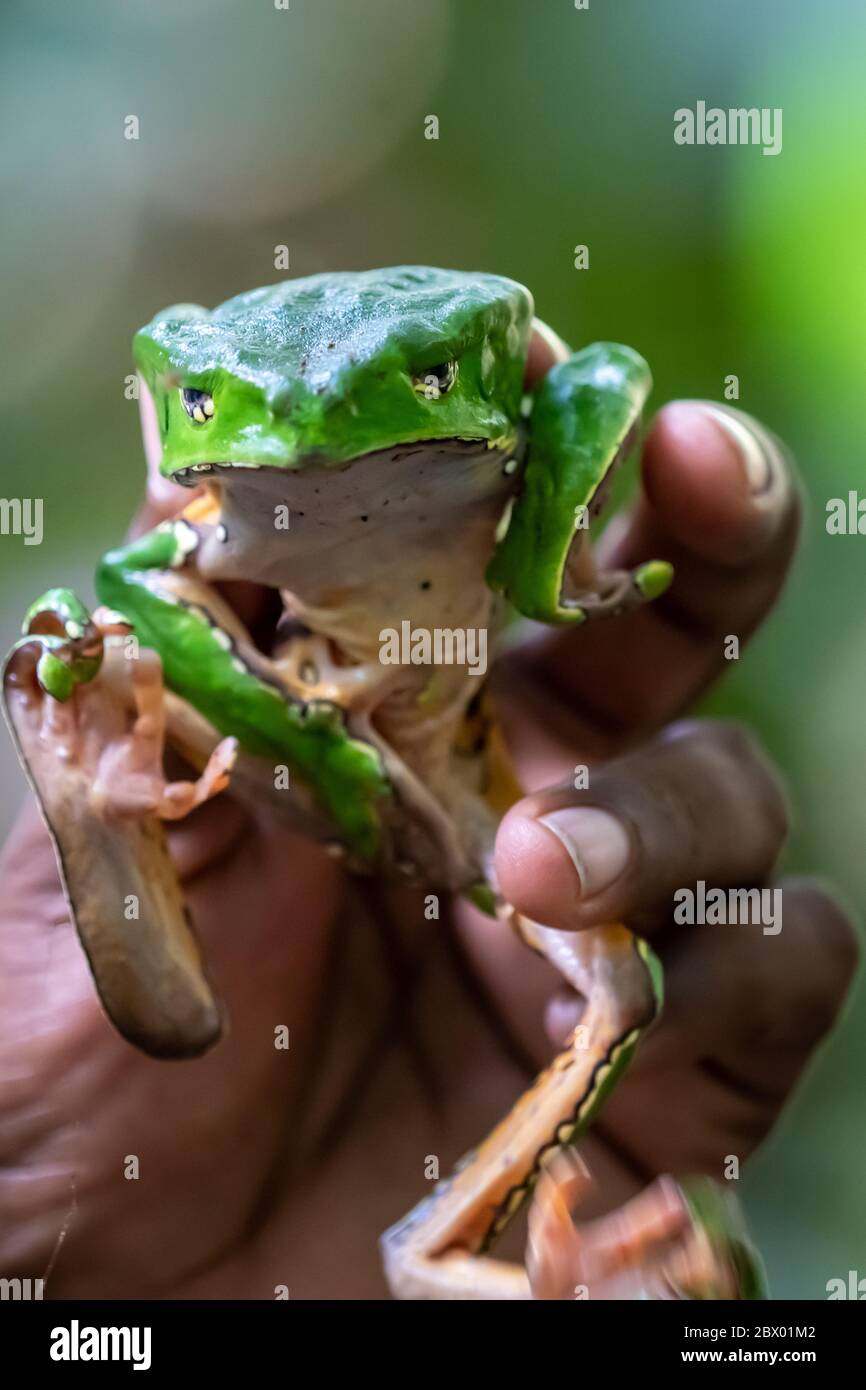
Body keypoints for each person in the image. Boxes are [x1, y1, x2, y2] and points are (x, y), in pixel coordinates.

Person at [0, 329, 856, 1299]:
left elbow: (600, 374)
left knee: (620, 986)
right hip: (304, 708)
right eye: (202, 399)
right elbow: (132, 584)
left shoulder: (498, 439)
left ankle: (440, 1247)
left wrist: (547, 555)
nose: (314, 426)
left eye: (432, 372)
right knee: (81, 654)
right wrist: (294, 735)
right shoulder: (217, 528)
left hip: (459, 754)